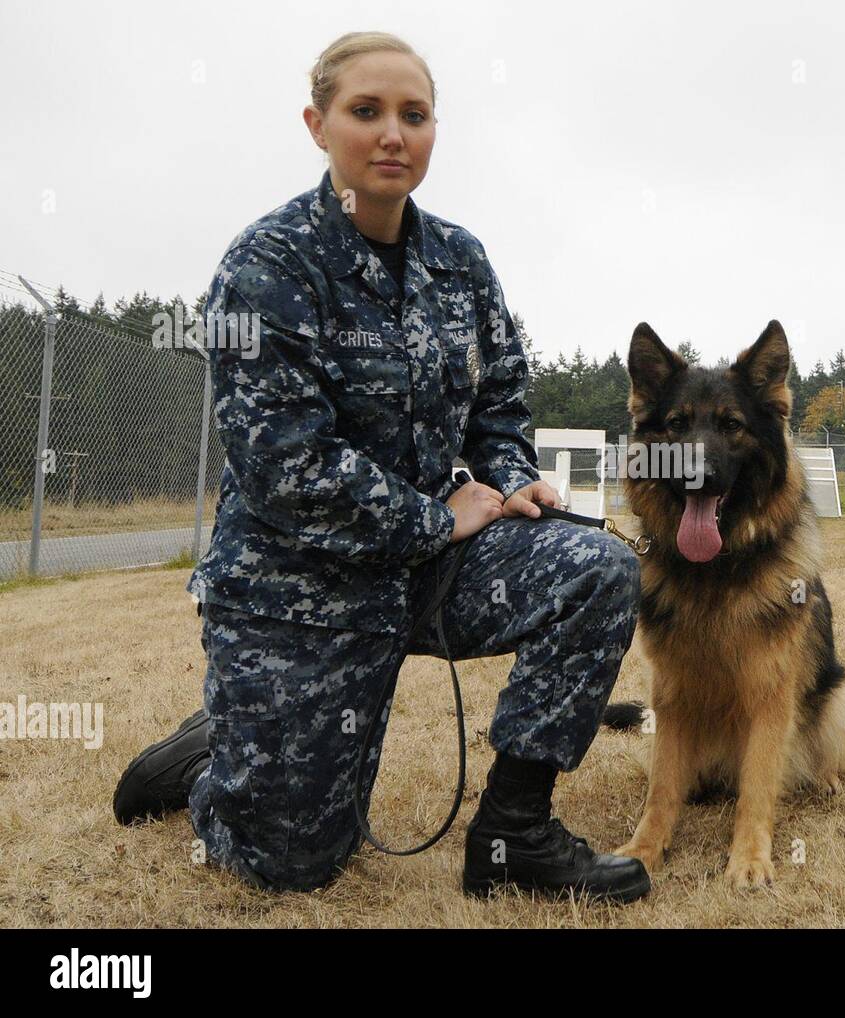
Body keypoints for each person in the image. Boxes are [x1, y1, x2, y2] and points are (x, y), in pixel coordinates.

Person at [112, 30, 650, 904]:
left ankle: (514, 835)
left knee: (597, 569)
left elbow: (500, 398)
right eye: (366, 112)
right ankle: (212, 757)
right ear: (318, 125)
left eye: (415, 114)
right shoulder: (267, 266)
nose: (393, 133)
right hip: (299, 581)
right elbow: (289, 467)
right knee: (289, 866)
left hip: (428, 568)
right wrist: (440, 518)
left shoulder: (462, 262)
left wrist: (509, 476)